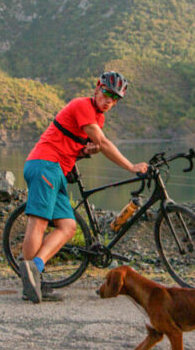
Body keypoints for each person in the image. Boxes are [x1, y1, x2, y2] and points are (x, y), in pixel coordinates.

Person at [18, 71, 148, 303]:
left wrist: (84, 152)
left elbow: (79, 143)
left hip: (57, 171)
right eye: (107, 93)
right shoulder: (82, 106)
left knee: (68, 227)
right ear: (97, 89)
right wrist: (131, 166)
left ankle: (36, 271)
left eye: (115, 98)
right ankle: (29, 281)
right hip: (44, 164)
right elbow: (104, 142)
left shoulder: (98, 118)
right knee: (38, 222)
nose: (109, 100)